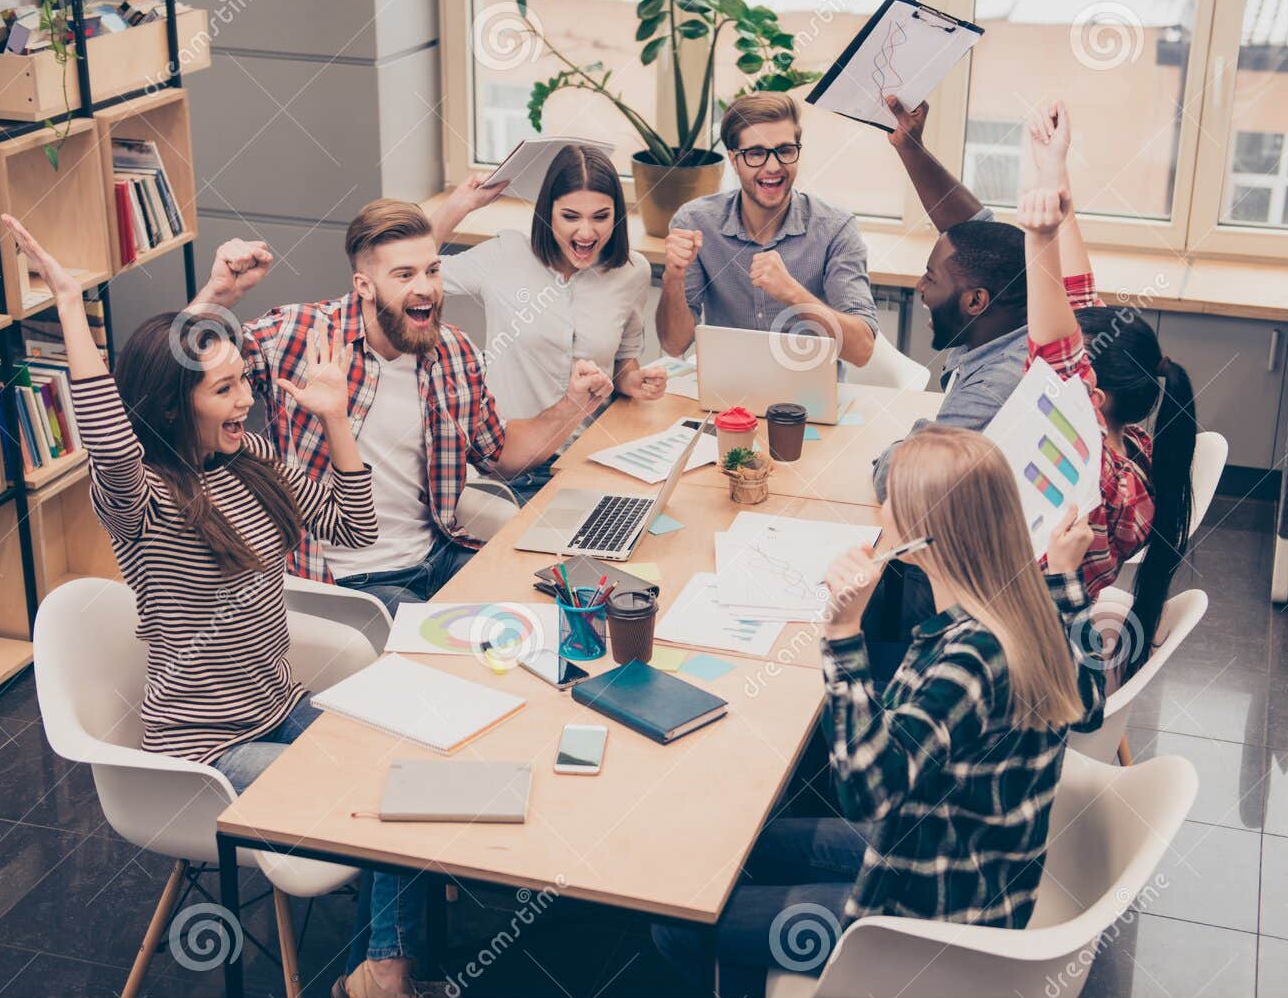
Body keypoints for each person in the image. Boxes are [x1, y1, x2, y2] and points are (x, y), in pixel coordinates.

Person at [1, 216, 431, 998]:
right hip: (203, 749)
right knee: (380, 796)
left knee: (416, 764)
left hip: (281, 706)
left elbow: (353, 527)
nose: (247, 399)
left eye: (245, 382)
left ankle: (377, 965)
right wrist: (70, 306)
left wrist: (336, 418)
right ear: (175, 404)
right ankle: (386, 980)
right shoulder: (142, 499)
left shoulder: (253, 459)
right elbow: (108, 425)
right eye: (225, 389)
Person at [652, 427, 1104, 996]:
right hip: (977, 864)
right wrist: (1065, 578)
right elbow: (1090, 705)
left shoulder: (968, 658)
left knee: (680, 925)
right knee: (752, 845)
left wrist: (843, 632)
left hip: (925, 919)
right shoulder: (1027, 600)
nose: (881, 507)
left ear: (921, 534)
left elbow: (865, 792)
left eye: (890, 500)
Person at [221, 200, 615, 613]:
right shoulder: (300, 335)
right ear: (365, 286)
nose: (425, 287)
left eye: (432, 270)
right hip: (347, 579)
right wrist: (218, 296)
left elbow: (501, 457)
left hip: (438, 555)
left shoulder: (454, 352)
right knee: (460, 649)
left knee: (548, 610)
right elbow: (186, 377)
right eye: (405, 275)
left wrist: (573, 404)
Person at [1020, 102, 1199, 676]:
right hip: (1056, 621)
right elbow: (1077, 298)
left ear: (1091, 403)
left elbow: (1057, 350)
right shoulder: (1135, 456)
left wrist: (1038, 236)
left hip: (1024, 648)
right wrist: (1055, 173)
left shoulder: (1093, 468)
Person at [870, 96, 1099, 502]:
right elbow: (973, 234)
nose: (921, 288)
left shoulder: (999, 384)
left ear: (976, 301)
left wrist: (915, 438)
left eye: (931, 278)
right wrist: (910, 148)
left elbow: (898, 480)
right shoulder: (1043, 320)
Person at [429, 145, 668, 500]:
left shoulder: (632, 272)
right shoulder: (504, 256)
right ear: (547, 214)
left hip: (591, 460)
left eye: (601, 217)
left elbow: (623, 360)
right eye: (570, 216)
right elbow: (408, 271)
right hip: (511, 469)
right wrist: (460, 206)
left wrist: (632, 379)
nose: (586, 233)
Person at [656, 92, 878, 368]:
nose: (773, 167)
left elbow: (862, 351)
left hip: (809, 401)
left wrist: (793, 294)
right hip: (727, 398)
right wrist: (673, 278)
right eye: (756, 154)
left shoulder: (836, 228)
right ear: (734, 160)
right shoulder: (696, 222)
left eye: (785, 151)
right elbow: (673, 345)